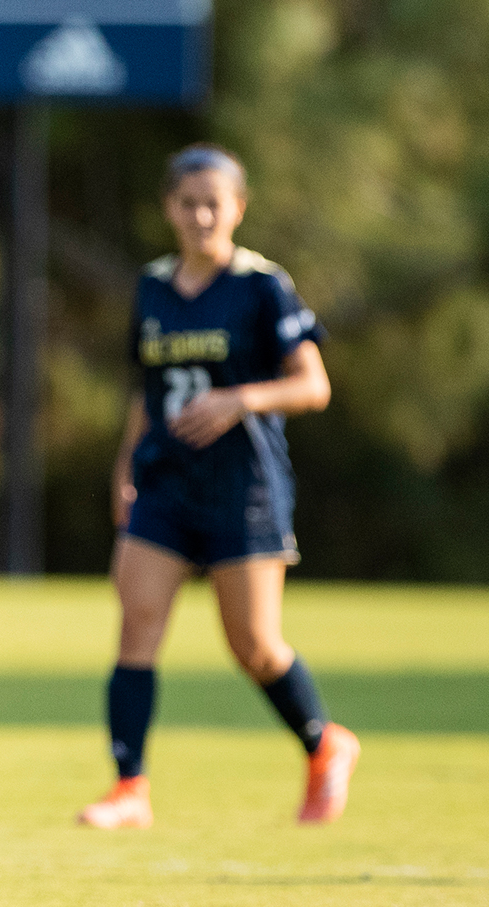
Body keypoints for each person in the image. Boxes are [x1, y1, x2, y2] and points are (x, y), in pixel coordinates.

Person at [78, 144, 360, 830]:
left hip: (244, 488)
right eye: (188, 203)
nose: (202, 215)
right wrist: (125, 468)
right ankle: (129, 789)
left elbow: (313, 384)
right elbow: (147, 394)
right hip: (167, 485)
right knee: (136, 624)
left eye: (215, 202)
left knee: (254, 645)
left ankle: (325, 744)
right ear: (169, 209)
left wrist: (241, 400)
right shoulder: (152, 287)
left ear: (237, 208)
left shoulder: (262, 286)